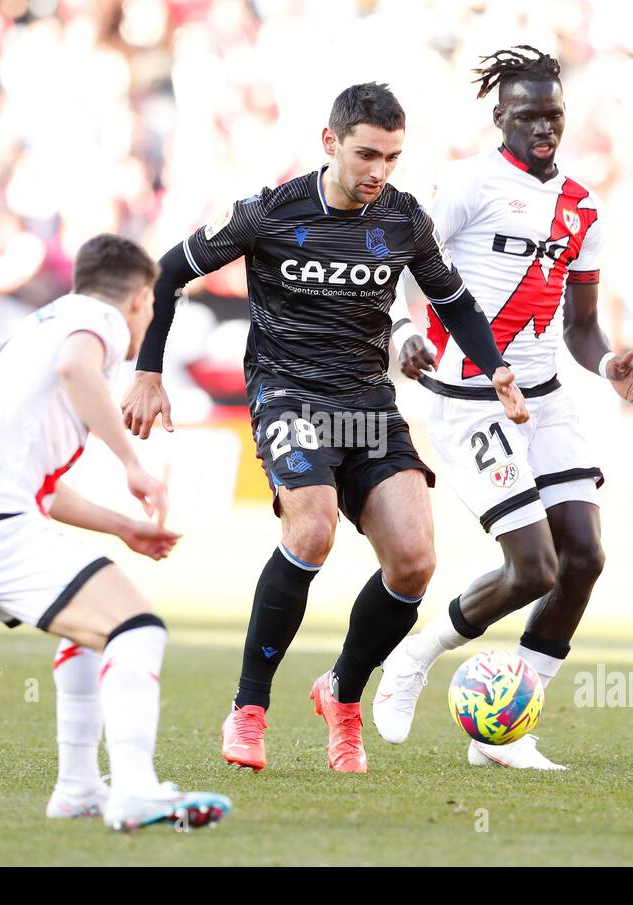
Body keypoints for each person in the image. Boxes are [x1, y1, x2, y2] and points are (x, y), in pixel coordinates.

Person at [123, 82, 525, 774]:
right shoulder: (267, 213)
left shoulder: (404, 220)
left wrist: (495, 368)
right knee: (311, 528)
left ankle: (342, 693)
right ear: (329, 143)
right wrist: (149, 371)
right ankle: (249, 708)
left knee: (415, 563)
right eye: (367, 154)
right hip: (289, 396)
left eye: (392, 158)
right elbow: (166, 274)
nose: (378, 172)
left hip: (367, 405)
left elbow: (452, 301)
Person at [374, 46, 633, 770]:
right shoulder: (469, 182)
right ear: (500, 116)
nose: (543, 126)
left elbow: (581, 326)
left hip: (547, 400)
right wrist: (406, 331)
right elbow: (403, 263)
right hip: (468, 404)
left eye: (553, 113)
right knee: (533, 568)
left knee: (585, 558)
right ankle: (413, 658)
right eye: (527, 114)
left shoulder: (584, 208)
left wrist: (608, 363)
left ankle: (504, 733)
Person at [0, 234, 230, 831]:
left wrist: (123, 528)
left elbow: (41, 483)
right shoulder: (100, 320)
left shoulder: (44, 325)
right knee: (137, 630)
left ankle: (79, 788)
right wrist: (131, 463)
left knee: (96, 632)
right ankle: (135, 790)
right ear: (142, 298)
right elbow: (75, 367)